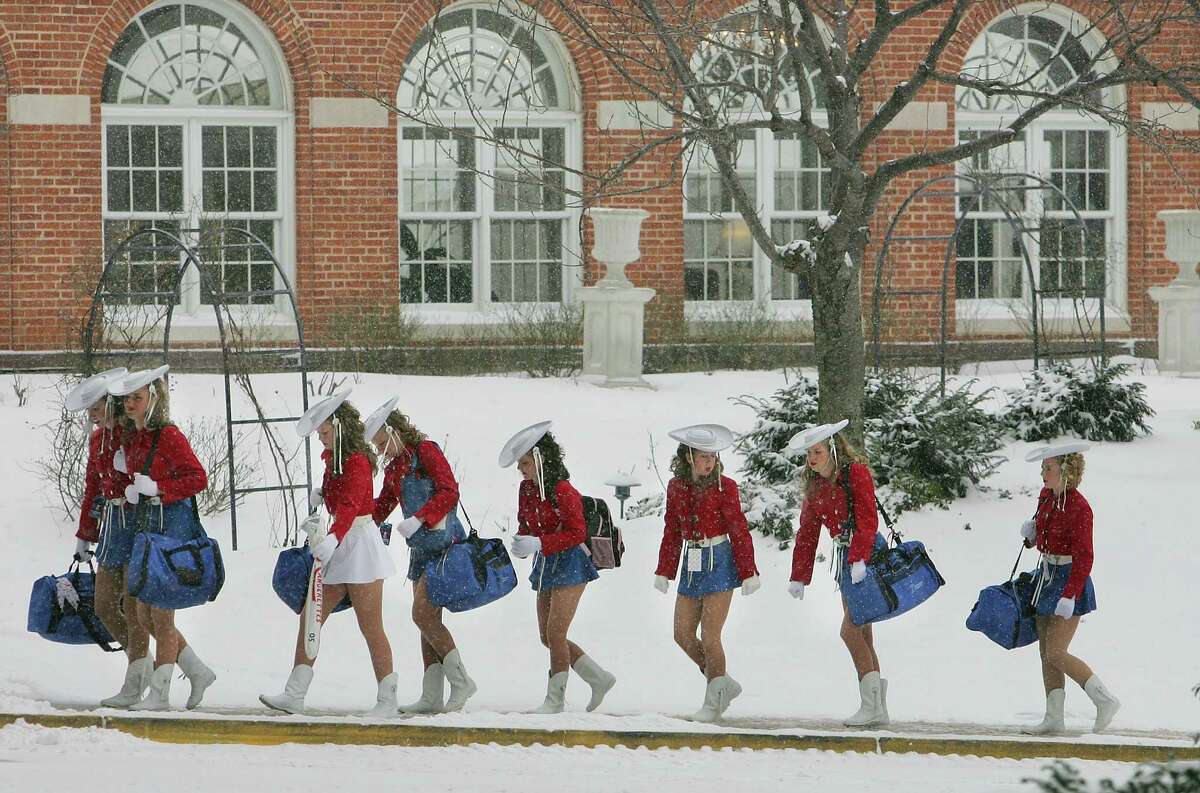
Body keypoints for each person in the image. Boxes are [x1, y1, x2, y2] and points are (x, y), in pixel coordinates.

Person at [261, 389, 399, 718]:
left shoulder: (356, 460)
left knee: (371, 626)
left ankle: (388, 699)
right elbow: (341, 501)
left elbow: (352, 505)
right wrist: (322, 495)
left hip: (359, 546)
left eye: (324, 433)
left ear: (338, 427)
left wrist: (334, 537)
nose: (321, 439)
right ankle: (294, 693)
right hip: (340, 544)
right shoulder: (335, 460)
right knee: (311, 616)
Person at [108, 365, 217, 711]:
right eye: (127, 398)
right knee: (142, 613)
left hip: (173, 528)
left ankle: (160, 693)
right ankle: (197, 671)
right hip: (149, 528)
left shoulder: (168, 435)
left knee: (161, 614)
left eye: (136, 398)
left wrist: (159, 489)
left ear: (153, 400)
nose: (129, 403)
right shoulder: (135, 437)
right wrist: (131, 486)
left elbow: (198, 478)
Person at [362, 397, 476, 714]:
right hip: (420, 550)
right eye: (377, 446)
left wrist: (421, 517)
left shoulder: (426, 452)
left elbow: (449, 490)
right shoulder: (395, 468)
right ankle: (431, 695)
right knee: (427, 621)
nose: (382, 450)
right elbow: (381, 505)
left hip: (444, 544)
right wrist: (356, 516)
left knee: (422, 615)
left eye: (384, 442)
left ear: (397, 431)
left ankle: (462, 681)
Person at [500, 421, 616, 714]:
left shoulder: (563, 490)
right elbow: (527, 523)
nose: (521, 470)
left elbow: (576, 532)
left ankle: (555, 700)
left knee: (555, 632)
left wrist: (539, 543)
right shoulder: (526, 489)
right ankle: (598, 678)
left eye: (525, 463)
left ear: (540, 459)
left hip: (572, 562)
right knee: (547, 635)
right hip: (547, 563)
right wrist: (523, 540)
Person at [786, 420, 889, 727]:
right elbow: (807, 533)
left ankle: (871, 706)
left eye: (817, 451)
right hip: (846, 557)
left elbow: (869, 519)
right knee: (863, 631)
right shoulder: (815, 486)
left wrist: (859, 559)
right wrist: (798, 576)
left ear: (832, 448)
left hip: (866, 552)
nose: (812, 458)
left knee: (851, 630)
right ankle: (876, 708)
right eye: (809, 453)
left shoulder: (855, 473)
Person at [653, 424, 759, 722]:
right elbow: (672, 530)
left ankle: (713, 701)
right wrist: (665, 570)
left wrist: (748, 571)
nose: (709, 461)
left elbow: (739, 529)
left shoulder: (726, 487)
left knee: (710, 636)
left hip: (721, 559)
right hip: (692, 560)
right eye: (703, 456)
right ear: (688, 456)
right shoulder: (677, 486)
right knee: (682, 634)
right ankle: (722, 681)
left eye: (713, 455)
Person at [65, 367, 153, 707]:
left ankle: (135, 680)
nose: (92, 414)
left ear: (112, 404)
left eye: (97, 406)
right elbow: (93, 488)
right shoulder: (97, 439)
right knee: (104, 604)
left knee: (135, 606)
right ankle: (143, 665)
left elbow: (150, 470)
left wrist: (130, 471)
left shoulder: (131, 433)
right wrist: (85, 534)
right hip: (112, 523)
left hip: (137, 518)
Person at [1019, 441, 1119, 734]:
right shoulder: (1046, 497)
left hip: (1068, 580)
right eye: (1042, 469)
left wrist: (1070, 593)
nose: (1042, 475)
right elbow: (1042, 537)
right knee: (1045, 653)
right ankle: (1053, 718)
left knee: (1056, 653)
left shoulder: (1080, 507)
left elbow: (1085, 557)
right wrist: (1031, 535)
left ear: (1065, 470)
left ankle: (1105, 701)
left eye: (1047, 469)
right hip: (1046, 577)